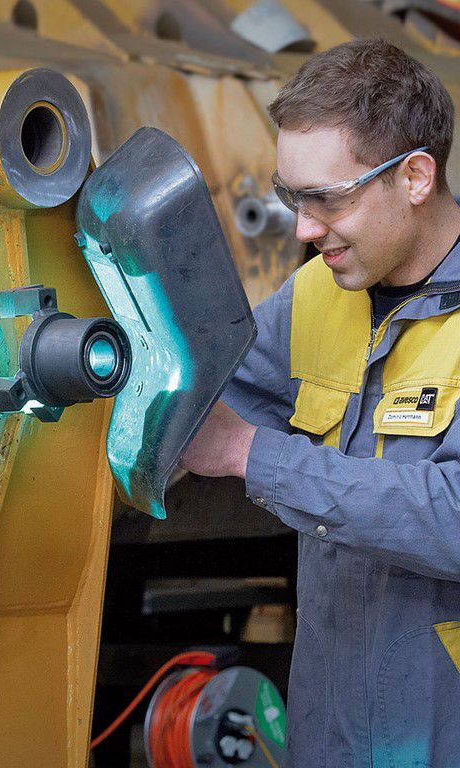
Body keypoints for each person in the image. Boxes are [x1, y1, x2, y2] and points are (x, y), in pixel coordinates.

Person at [179, 39, 460, 766]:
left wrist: (253, 455)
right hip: (328, 732)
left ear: (416, 177)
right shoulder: (316, 296)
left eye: (327, 199)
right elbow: (203, 404)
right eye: (291, 196)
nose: (303, 229)